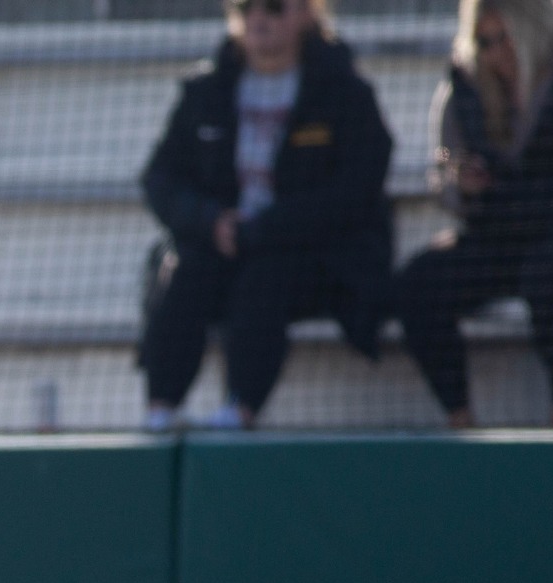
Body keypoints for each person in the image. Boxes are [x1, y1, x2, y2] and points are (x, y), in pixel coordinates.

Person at [394, 0, 553, 428]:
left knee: (549, 277)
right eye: (484, 42)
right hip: (501, 240)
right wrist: (460, 185)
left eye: (504, 39)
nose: (495, 53)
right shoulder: (462, 88)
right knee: (419, 285)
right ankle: (461, 422)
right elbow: (443, 164)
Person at [139, 0, 392, 430]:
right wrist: (209, 220)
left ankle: (240, 411)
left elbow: (357, 188)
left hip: (313, 257)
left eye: (274, 6)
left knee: (266, 275)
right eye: (245, 6)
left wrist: (272, 227)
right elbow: (160, 178)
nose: (259, 17)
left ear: (307, 14)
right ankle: (160, 410)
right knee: (184, 269)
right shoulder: (205, 90)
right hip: (223, 246)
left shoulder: (343, 92)